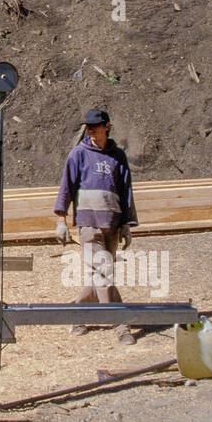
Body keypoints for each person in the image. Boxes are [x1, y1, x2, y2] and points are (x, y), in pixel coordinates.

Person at [52, 108, 139, 345]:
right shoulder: (78, 155)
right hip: (89, 225)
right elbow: (66, 188)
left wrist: (127, 224)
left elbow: (125, 191)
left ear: (107, 127)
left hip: (112, 223)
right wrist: (61, 220)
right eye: (88, 125)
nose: (91, 129)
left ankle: (77, 316)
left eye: (96, 125)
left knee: (98, 277)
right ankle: (121, 325)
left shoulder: (117, 156)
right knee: (104, 274)